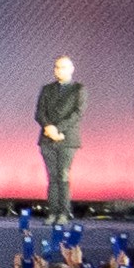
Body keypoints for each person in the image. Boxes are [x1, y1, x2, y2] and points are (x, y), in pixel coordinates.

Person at [32, 50, 83, 219]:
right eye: (56, 67)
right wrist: (49, 128)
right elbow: (39, 112)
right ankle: (52, 212)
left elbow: (77, 114)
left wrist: (58, 129)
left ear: (71, 69)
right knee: (52, 177)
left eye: (63, 67)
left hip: (67, 140)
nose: (59, 70)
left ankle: (64, 212)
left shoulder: (79, 89)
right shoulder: (47, 89)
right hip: (47, 140)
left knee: (63, 175)